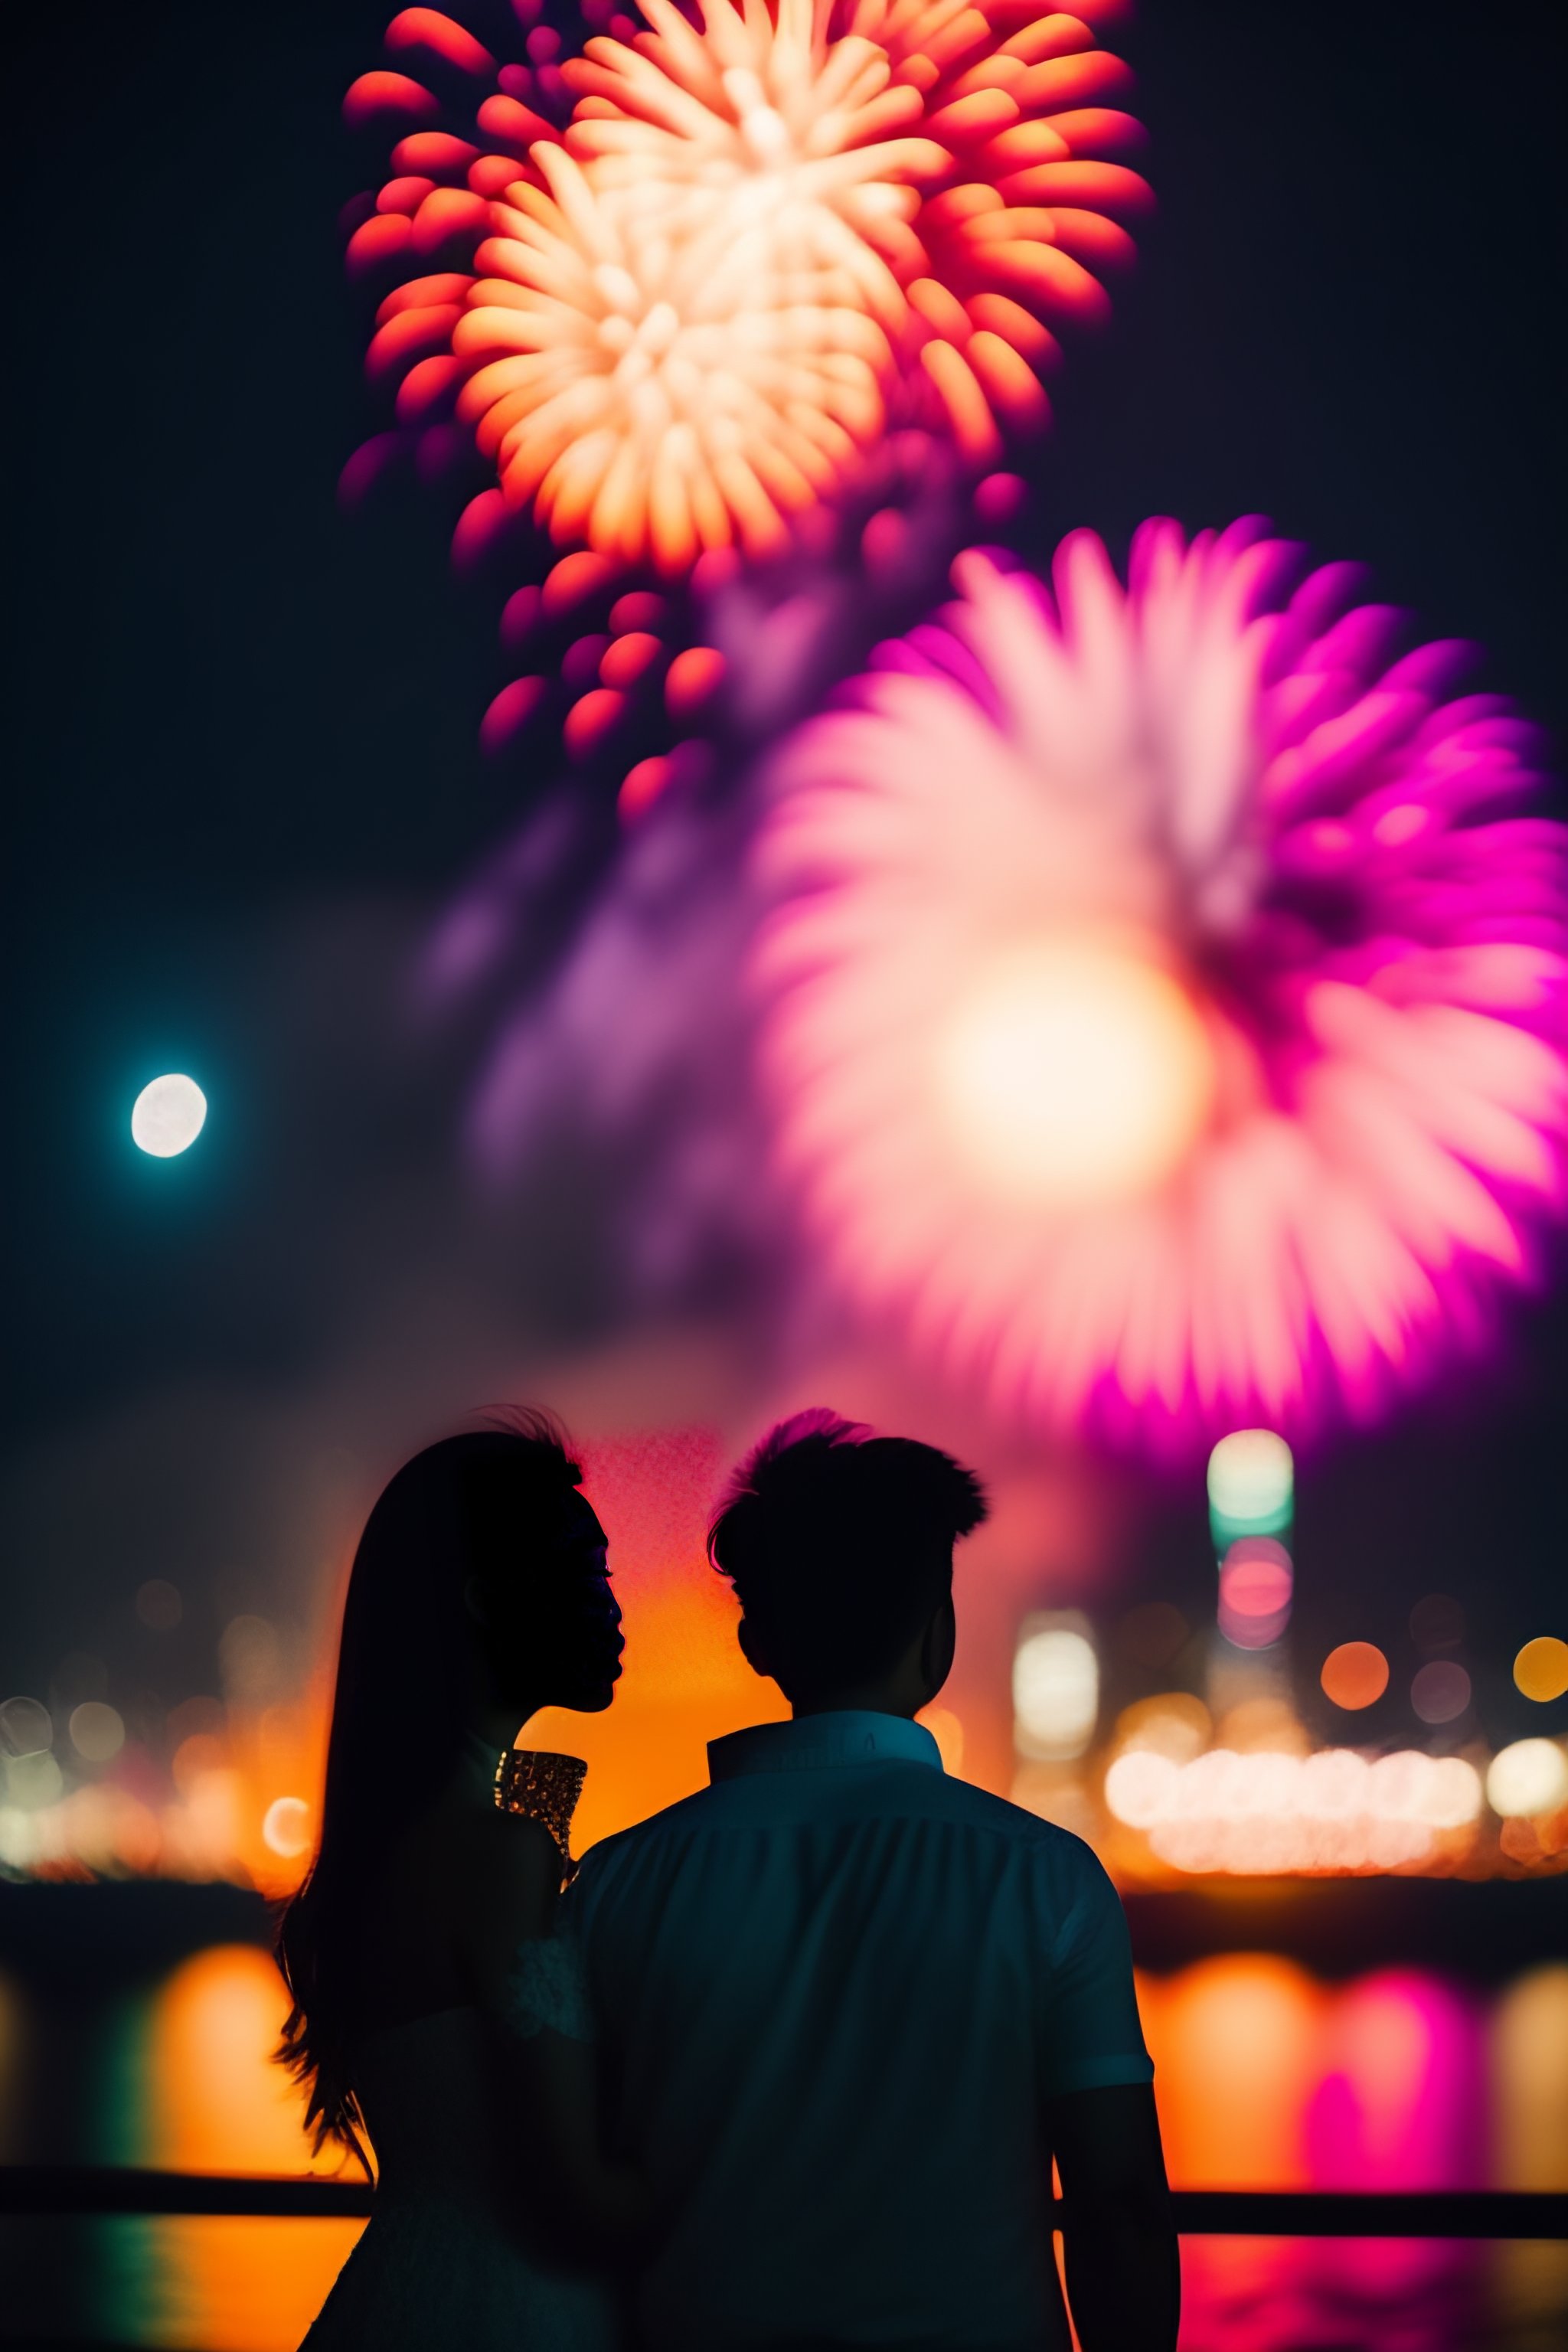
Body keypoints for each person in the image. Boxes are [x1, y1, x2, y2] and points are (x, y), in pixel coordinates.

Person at [568, 1409, 1180, 2352]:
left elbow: (585, 2188)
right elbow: (1119, 2206)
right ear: (935, 1634)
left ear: (755, 1642)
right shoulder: (1044, 1878)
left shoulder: (616, 1884)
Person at [277, 1413, 642, 2351]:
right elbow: (575, 2197)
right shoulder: (499, 1852)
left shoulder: (384, 1846)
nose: (615, 1603)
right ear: (486, 1598)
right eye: (590, 1570)